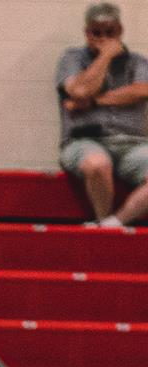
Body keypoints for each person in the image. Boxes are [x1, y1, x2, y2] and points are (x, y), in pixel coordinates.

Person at [56, 1, 148, 227]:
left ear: (120, 31)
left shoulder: (137, 62)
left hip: (133, 144)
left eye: (110, 32)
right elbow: (80, 91)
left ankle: (113, 223)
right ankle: (103, 223)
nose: (103, 38)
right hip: (84, 140)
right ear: (87, 33)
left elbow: (141, 90)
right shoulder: (72, 59)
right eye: (96, 33)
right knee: (97, 163)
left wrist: (94, 102)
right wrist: (105, 57)